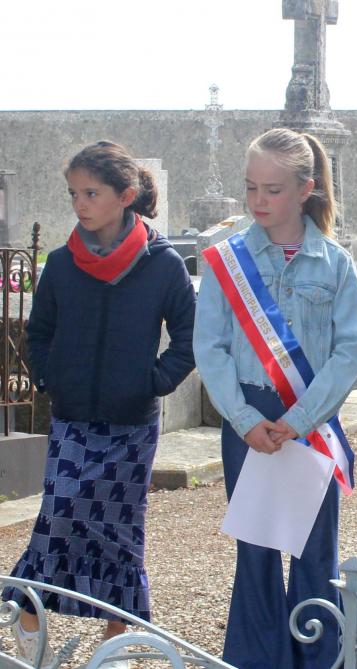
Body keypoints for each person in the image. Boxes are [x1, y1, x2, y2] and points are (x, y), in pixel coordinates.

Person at [3, 141, 194, 668]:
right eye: (73, 193)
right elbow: (39, 332)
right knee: (59, 514)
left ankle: (117, 645)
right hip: (72, 418)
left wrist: (154, 381)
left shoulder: (164, 265)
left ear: (125, 195)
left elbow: (188, 335)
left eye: (91, 192)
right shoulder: (62, 263)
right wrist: (48, 376)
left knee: (118, 529)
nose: (80, 203)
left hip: (132, 423)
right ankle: (28, 616)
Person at [194, 128, 357, 668]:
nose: (258, 201)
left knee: (317, 549)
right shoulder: (223, 260)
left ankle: (319, 661)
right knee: (257, 548)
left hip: (309, 415)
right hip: (247, 415)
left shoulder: (335, 263)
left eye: (272, 189)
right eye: (251, 188)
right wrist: (245, 418)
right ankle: (256, 660)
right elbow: (211, 346)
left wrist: (299, 420)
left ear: (305, 189)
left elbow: (351, 351)